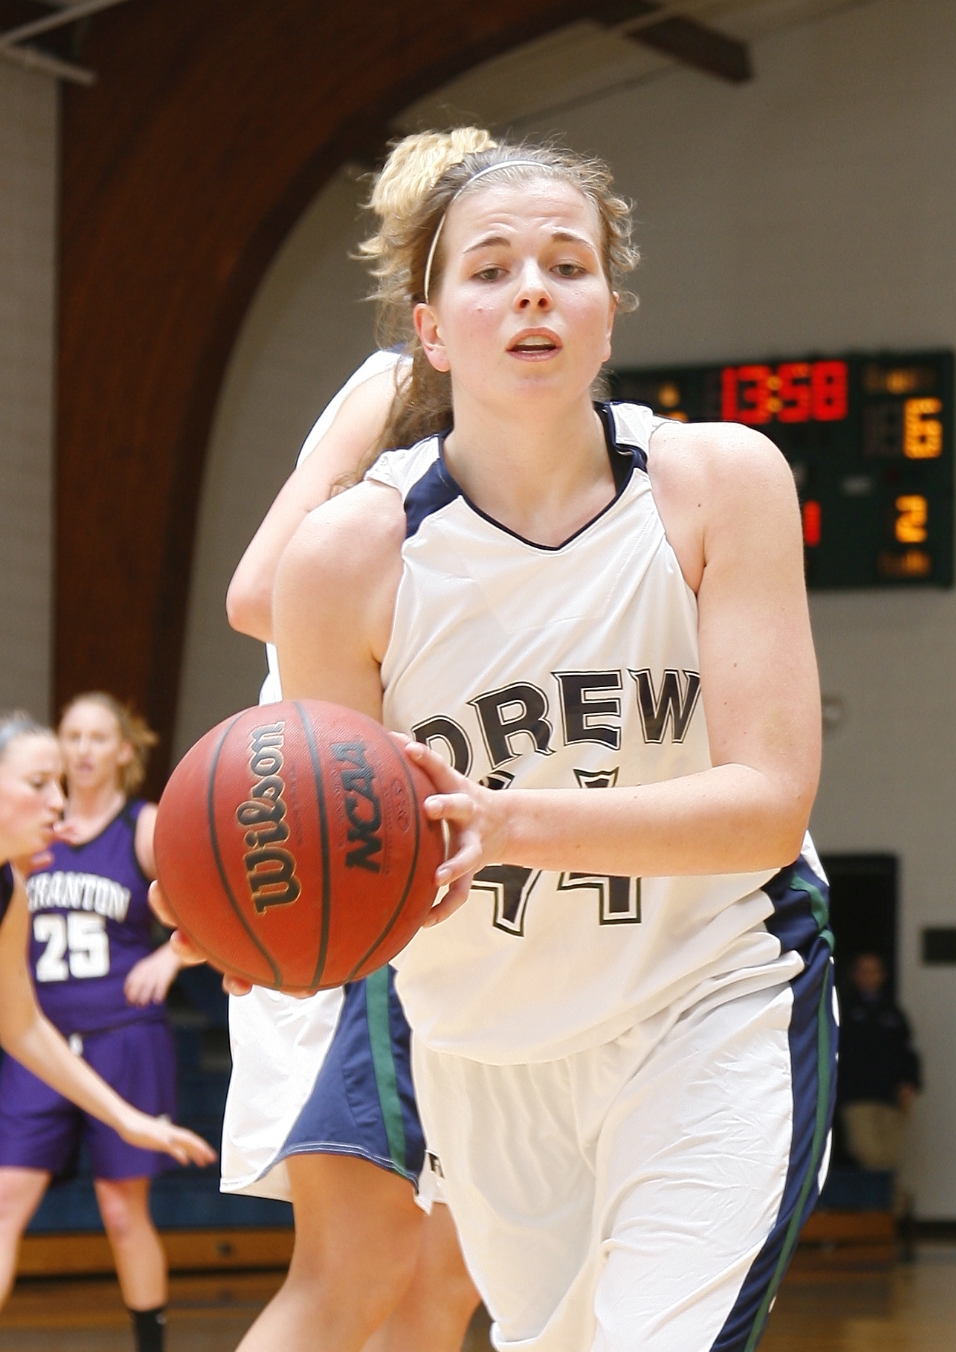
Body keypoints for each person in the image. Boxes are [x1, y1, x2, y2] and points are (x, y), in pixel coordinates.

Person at [255, 136, 839, 1352]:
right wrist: (240, 905)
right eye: (492, 267)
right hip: (487, 1049)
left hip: (712, 998)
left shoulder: (717, 484)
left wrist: (509, 818)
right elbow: (335, 857)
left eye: (567, 263)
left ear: (607, 315)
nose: (532, 287)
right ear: (429, 330)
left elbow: (767, 802)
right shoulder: (345, 561)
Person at [215, 131, 488, 1352]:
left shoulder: (542, 437)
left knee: (446, 1284)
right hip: (342, 862)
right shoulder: (392, 387)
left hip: (461, 887)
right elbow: (258, 592)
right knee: (356, 1269)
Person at [0, 710, 214, 1348]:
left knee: (124, 1210)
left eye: (58, 783)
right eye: (40, 781)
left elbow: (20, 1025)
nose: (57, 801)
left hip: (117, 1036)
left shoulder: (14, 887)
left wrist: (127, 1119)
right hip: (57, 1041)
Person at [837, 952, 920, 1211]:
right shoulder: (845, 1010)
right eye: (863, 970)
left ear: (882, 976)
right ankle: (897, 1202)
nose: (869, 976)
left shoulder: (892, 1012)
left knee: (890, 1157)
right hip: (856, 1095)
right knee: (867, 1152)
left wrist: (910, 1082)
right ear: (854, 975)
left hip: (890, 1096)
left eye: (874, 971)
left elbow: (907, 1051)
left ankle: (886, 1215)